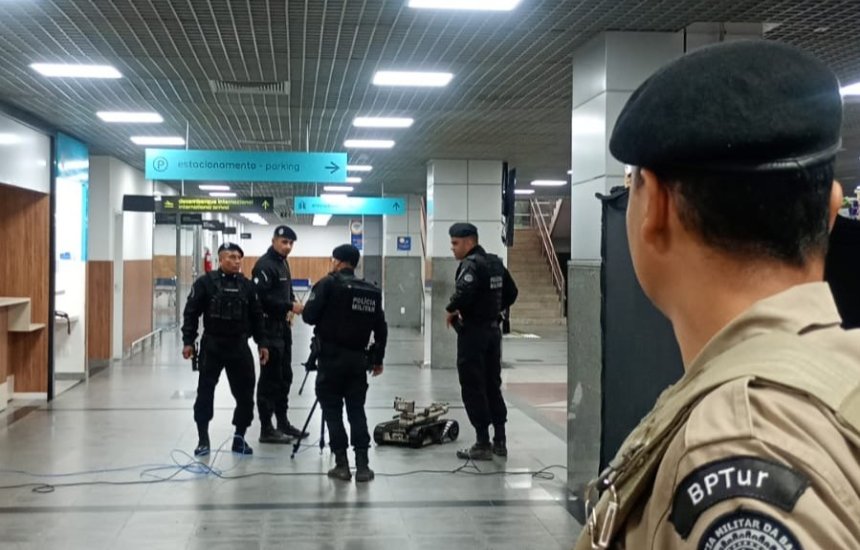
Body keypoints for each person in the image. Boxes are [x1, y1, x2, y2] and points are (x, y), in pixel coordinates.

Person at [575, 41, 860, 550]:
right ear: (832, 210)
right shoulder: (841, 378)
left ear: (655, 209)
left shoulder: (740, 451)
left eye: (634, 184)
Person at [302, 244, 387, 482]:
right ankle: (363, 466)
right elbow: (381, 329)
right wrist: (378, 359)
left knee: (332, 411)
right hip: (358, 360)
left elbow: (309, 316)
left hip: (330, 359)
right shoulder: (371, 290)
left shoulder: (328, 284)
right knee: (356, 411)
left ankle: (341, 463)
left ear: (338, 262)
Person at [181, 242, 269, 457]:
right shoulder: (205, 283)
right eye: (231, 257)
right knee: (205, 393)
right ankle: (203, 438)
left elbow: (257, 317)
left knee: (246, 395)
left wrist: (262, 343)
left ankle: (239, 438)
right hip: (213, 346)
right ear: (220, 259)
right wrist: (188, 341)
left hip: (239, 346)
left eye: (239, 257)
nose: (236, 261)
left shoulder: (247, 286)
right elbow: (191, 313)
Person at [446, 223, 518, 461]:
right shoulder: (496, 263)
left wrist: (451, 308)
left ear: (469, 242)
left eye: (455, 243)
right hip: (492, 332)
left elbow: (464, 292)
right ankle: (500, 440)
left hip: (473, 335)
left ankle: (482, 442)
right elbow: (512, 292)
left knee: (473, 385)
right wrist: (495, 309)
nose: (452, 248)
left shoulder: (471, 265)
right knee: (491, 384)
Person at [252, 225, 307, 444]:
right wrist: (289, 305)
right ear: (274, 240)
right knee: (269, 379)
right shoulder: (264, 266)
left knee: (285, 376)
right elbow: (260, 299)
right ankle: (267, 428)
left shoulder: (282, 263)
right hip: (268, 328)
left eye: (291, 243)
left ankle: (282, 422)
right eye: (284, 242)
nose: (288, 247)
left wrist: (290, 306)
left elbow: (288, 290)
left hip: (283, 328)